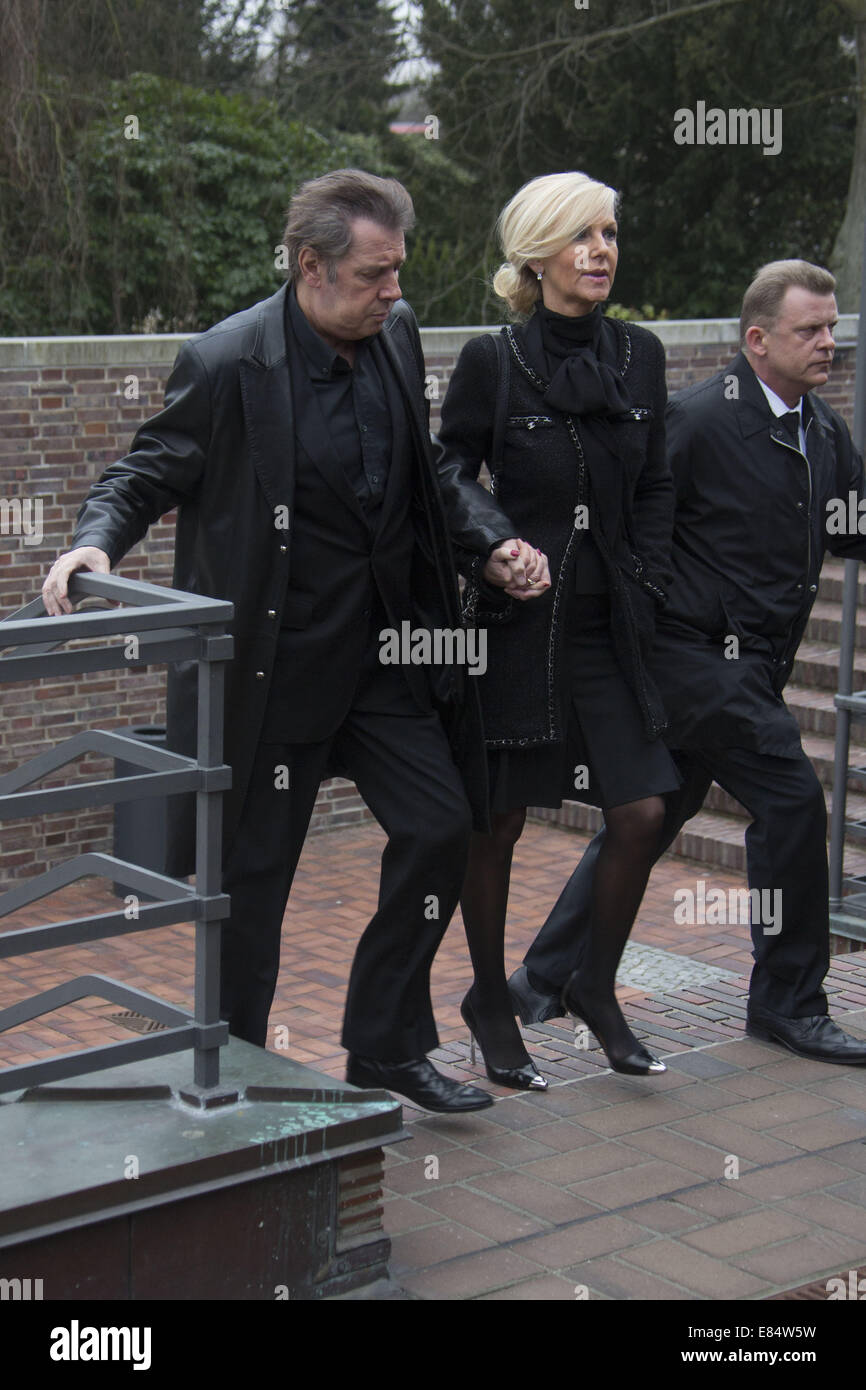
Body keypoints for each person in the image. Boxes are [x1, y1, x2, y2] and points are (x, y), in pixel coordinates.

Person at [41, 168, 552, 1114]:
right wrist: (90, 543)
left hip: (388, 660)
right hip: (270, 676)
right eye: (375, 274)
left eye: (398, 271)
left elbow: (426, 481)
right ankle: (231, 1079)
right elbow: (148, 468)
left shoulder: (393, 336)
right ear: (311, 268)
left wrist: (490, 544)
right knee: (253, 892)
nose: (396, 292)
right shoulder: (230, 360)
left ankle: (383, 1046)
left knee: (443, 829)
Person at [510, 258, 866, 1067]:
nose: (828, 344)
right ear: (757, 339)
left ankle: (542, 980)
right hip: (695, 660)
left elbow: (852, 525)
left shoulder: (822, 430)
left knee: (653, 813)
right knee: (793, 803)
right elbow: (630, 523)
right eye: (810, 330)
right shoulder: (704, 420)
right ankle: (789, 1005)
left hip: (750, 666)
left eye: (833, 328)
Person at [437, 171, 680, 1084]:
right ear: (537, 255)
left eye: (610, 233)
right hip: (515, 624)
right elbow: (449, 470)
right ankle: (489, 1000)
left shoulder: (642, 355)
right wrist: (495, 543)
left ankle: (593, 984)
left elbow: (655, 481)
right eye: (581, 236)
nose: (601, 251)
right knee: (495, 823)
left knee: (643, 812)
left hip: (612, 628)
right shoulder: (492, 361)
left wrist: (648, 578)